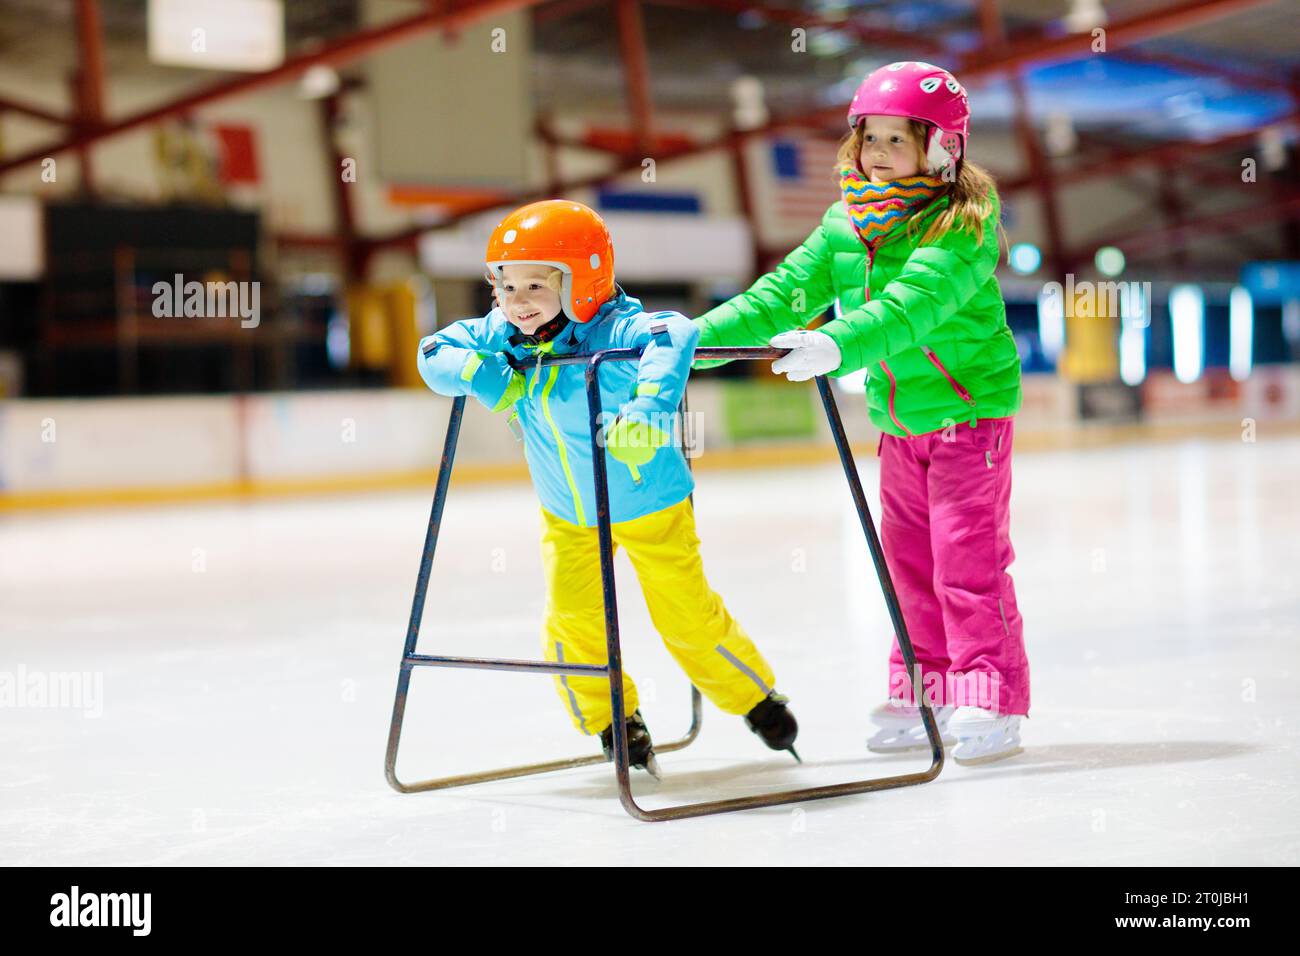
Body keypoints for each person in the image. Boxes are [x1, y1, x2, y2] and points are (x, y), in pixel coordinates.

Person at [693, 62, 1030, 764]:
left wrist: (834, 344)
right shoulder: (846, 224)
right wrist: (696, 340)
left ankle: (988, 694)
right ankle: (925, 684)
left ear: (941, 149)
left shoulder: (960, 227)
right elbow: (781, 293)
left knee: (967, 563)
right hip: (899, 424)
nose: (876, 153)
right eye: (869, 137)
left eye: (896, 140)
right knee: (908, 564)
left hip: (969, 418)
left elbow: (910, 309)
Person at [416, 199, 798, 776]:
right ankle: (612, 719)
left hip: (651, 505)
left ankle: (754, 697)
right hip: (568, 514)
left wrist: (648, 411)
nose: (517, 303)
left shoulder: (617, 328)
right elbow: (432, 352)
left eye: (536, 286)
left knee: (686, 616)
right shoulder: (505, 335)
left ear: (583, 281)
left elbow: (675, 332)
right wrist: (484, 375)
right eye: (506, 286)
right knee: (573, 621)